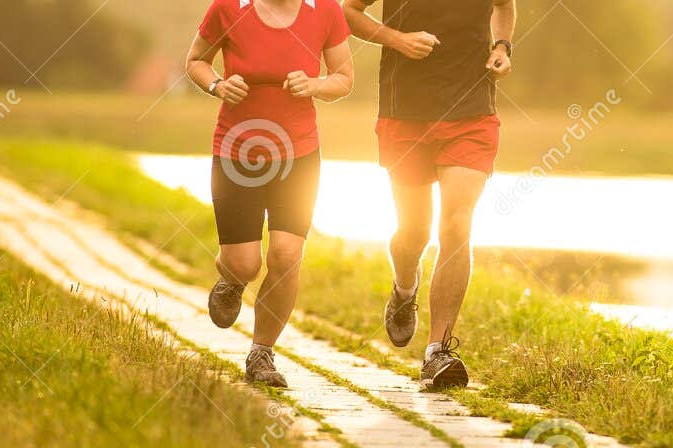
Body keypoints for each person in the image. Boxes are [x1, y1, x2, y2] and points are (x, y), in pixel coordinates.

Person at [342, 0, 515, 391]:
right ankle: (405, 285)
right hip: (405, 112)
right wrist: (397, 39)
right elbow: (347, 12)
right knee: (413, 234)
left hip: (471, 111)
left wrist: (502, 47)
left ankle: (438, 350)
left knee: (456, 223)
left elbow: (505, 6)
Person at [187, 0, 354, 387]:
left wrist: (314, 85)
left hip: (299, 154)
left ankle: (262, 352)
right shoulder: (228, 8)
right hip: (236, 151)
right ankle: (232, 280)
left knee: (286, 254)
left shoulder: (325, 10)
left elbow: (344, 77)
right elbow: (196, 60)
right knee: (245, 263)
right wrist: (217, 85)